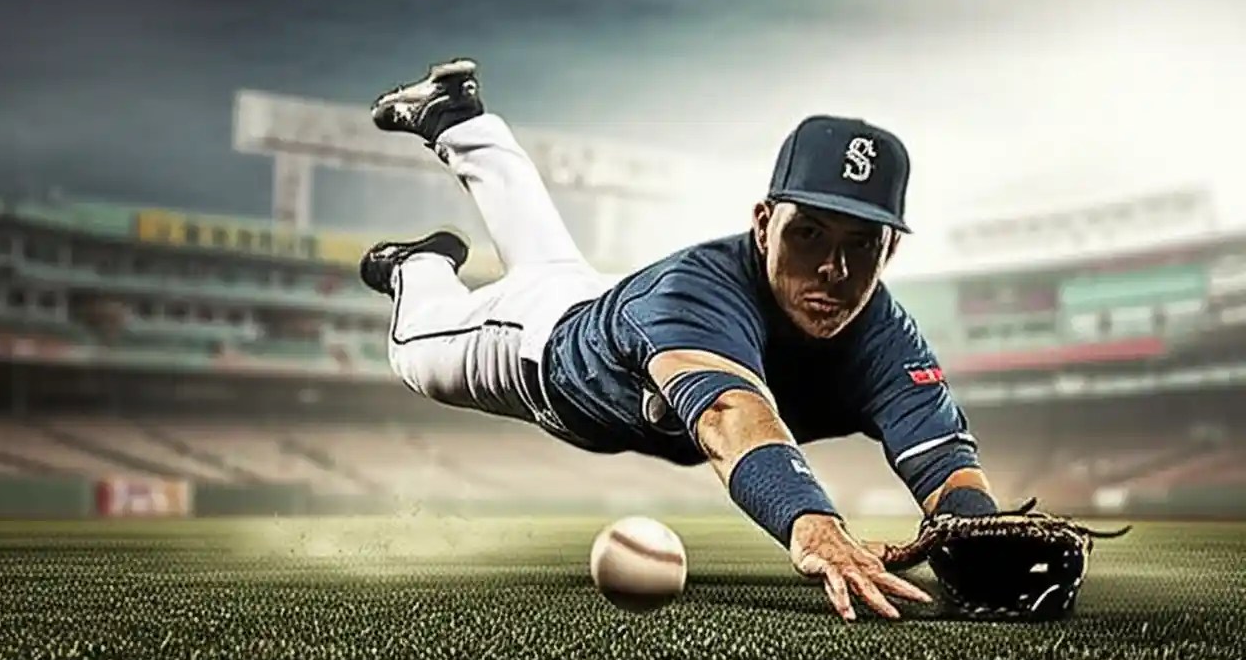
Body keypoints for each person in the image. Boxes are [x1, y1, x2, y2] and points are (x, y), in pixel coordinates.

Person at [360, 59, 1001, 621]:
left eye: (862, 243)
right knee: (419, 354)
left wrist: (978, 532)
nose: (834, 269)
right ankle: (413, 267)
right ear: (762, 225)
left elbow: (944, 460)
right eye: (809, 233)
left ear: (890, 249)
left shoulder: (886, 335)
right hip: (537, 347)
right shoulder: (695, 293)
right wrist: (815, 526)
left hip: (602, 306)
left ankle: (455, 116)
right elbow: (731, 414)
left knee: (547, 257)